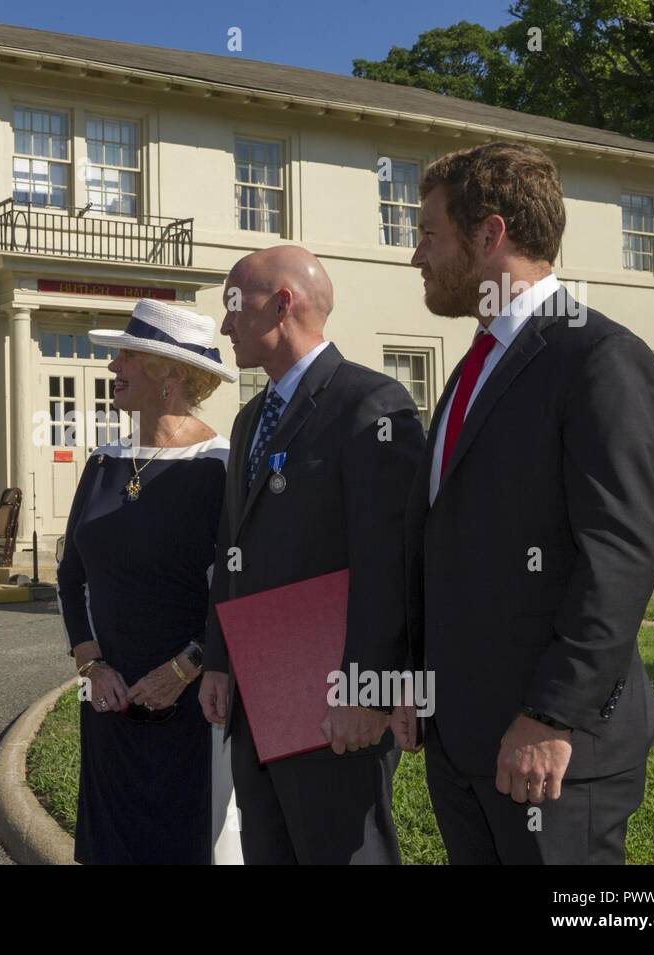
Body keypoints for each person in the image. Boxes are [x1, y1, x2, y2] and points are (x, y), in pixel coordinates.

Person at [392, 143, 654, 864]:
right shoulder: (469, 370)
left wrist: (551, 714)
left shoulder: (599, 359)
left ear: (490, 234)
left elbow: (620, 553)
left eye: (427, 235)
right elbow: (443, 544)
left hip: (552, 756)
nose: (415, 257)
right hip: (462, 746)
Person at [199, 245, 424, 864]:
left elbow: (392, 565)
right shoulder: (249, 419)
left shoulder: (370, 406)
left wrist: (369, 688)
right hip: (256, 687)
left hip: (330, 699)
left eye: (232, 308)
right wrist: (220, 659)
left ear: (282, 304)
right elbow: (231, 546)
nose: (224, 327)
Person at [56, 298, 240, 864]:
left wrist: (187, 667)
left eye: (126, 356)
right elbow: (71, 576)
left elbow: (242, 591)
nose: (113, 368)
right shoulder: (102, 464)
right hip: (110, 704)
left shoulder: (222, 467)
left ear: (170, 373)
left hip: (193, 705)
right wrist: (92, 665)